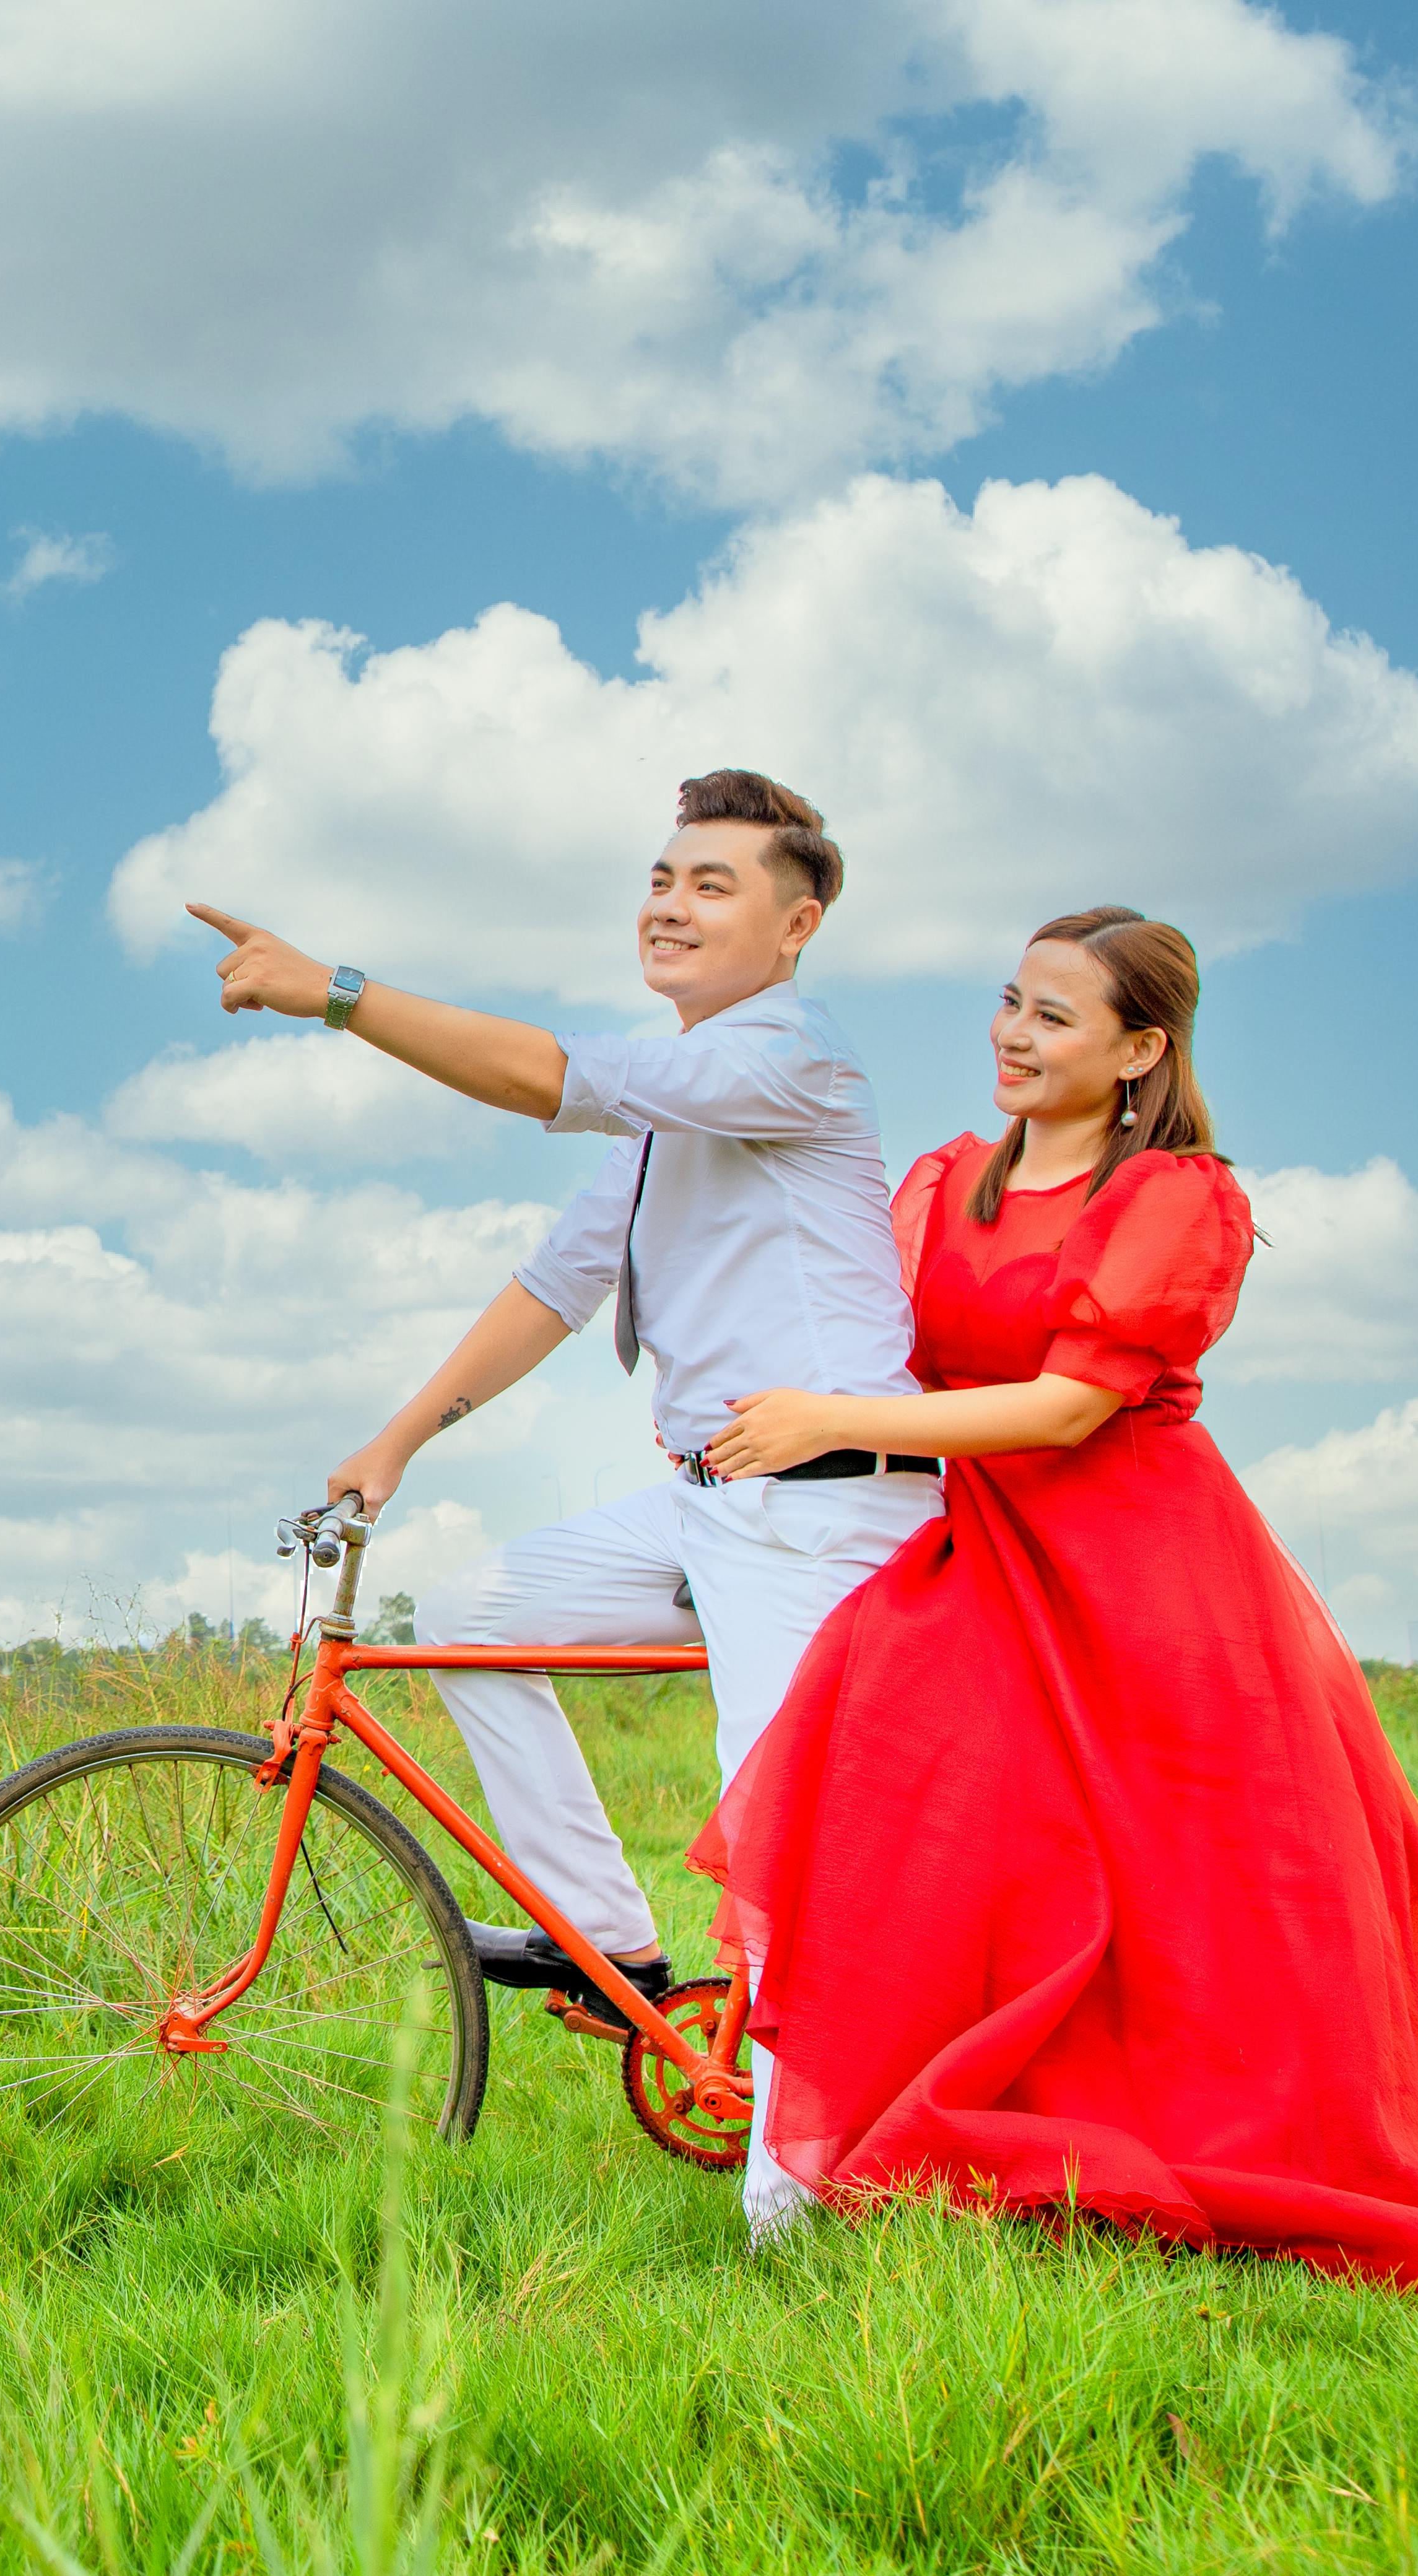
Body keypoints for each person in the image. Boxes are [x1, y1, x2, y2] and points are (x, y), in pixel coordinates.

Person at [688, 907, 1418, 2284]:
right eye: (1010, 1003)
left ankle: (1219, 2139)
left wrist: (825, 1419)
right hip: (978, 1541)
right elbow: (877, 1346)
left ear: (1142, 1048)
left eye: (1054, 1017)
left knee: (1192, 1875)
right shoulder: (945, 1179)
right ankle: (917, 2142)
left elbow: (1075, 1406)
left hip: (1144, 1567)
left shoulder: (1176, 1196)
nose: (1015, 1035)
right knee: (933, 1815)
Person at [189, 770, 942, 2034]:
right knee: (482, 1607)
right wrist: (402, 1436)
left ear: (797, 926)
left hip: (825, 1514)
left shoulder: (788, 1059)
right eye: (661, 879)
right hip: (720, 1502)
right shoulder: (673, 1107)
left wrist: (336, 994)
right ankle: (603, 1940)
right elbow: (557, 1283)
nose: (672, 906)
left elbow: (546, 1075)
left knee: (785, 1856)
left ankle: (801, 2187)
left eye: (714, 886)